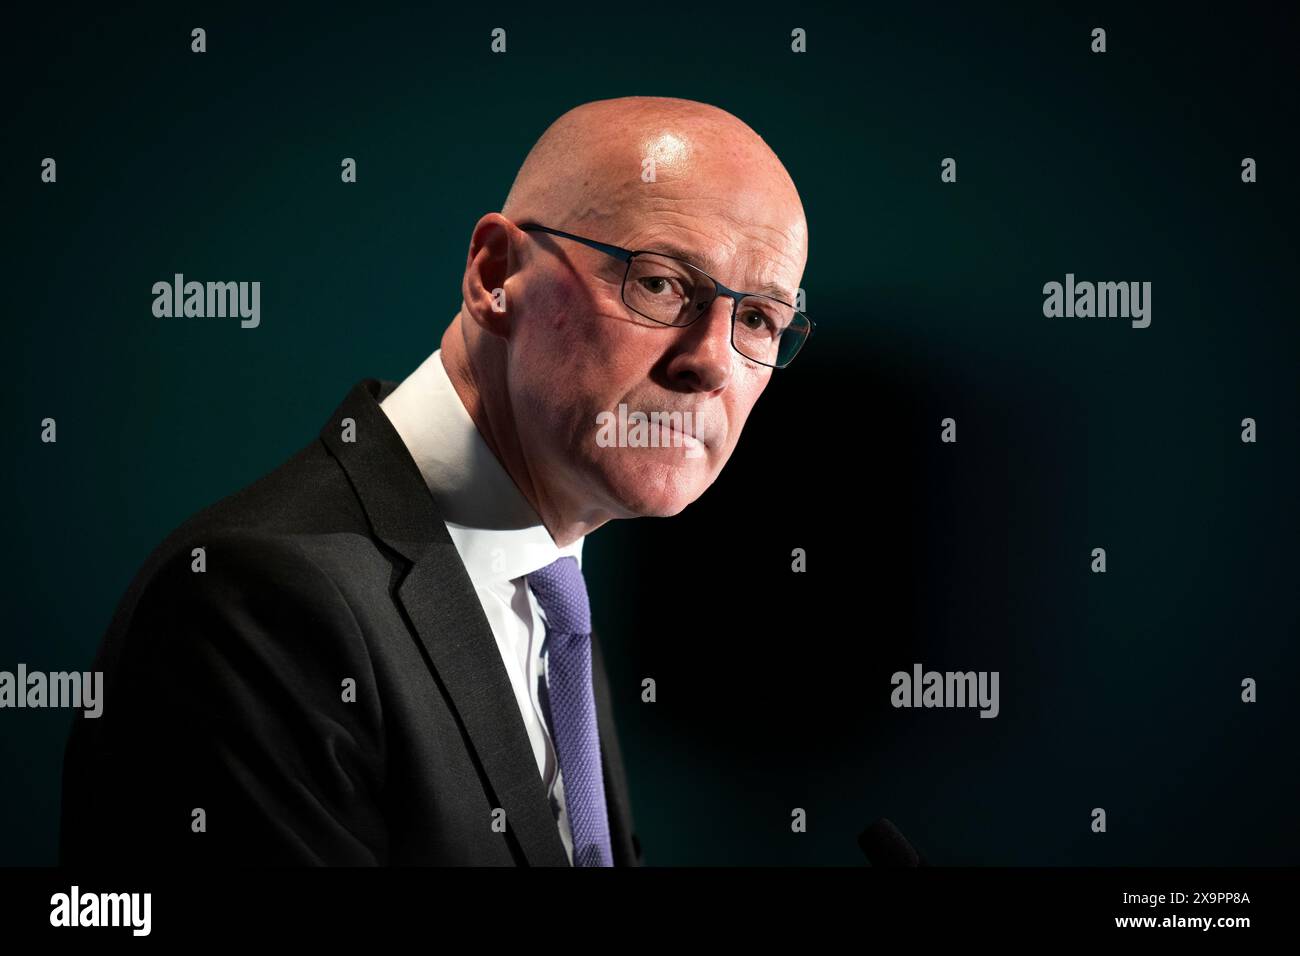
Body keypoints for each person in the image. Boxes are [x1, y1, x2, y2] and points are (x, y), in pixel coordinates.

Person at [59, 95, 811, 866]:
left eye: (757, 318)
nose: (712, 361)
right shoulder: (256, 603)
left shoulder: (553, 591)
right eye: (661, 284)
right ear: (496, 274)